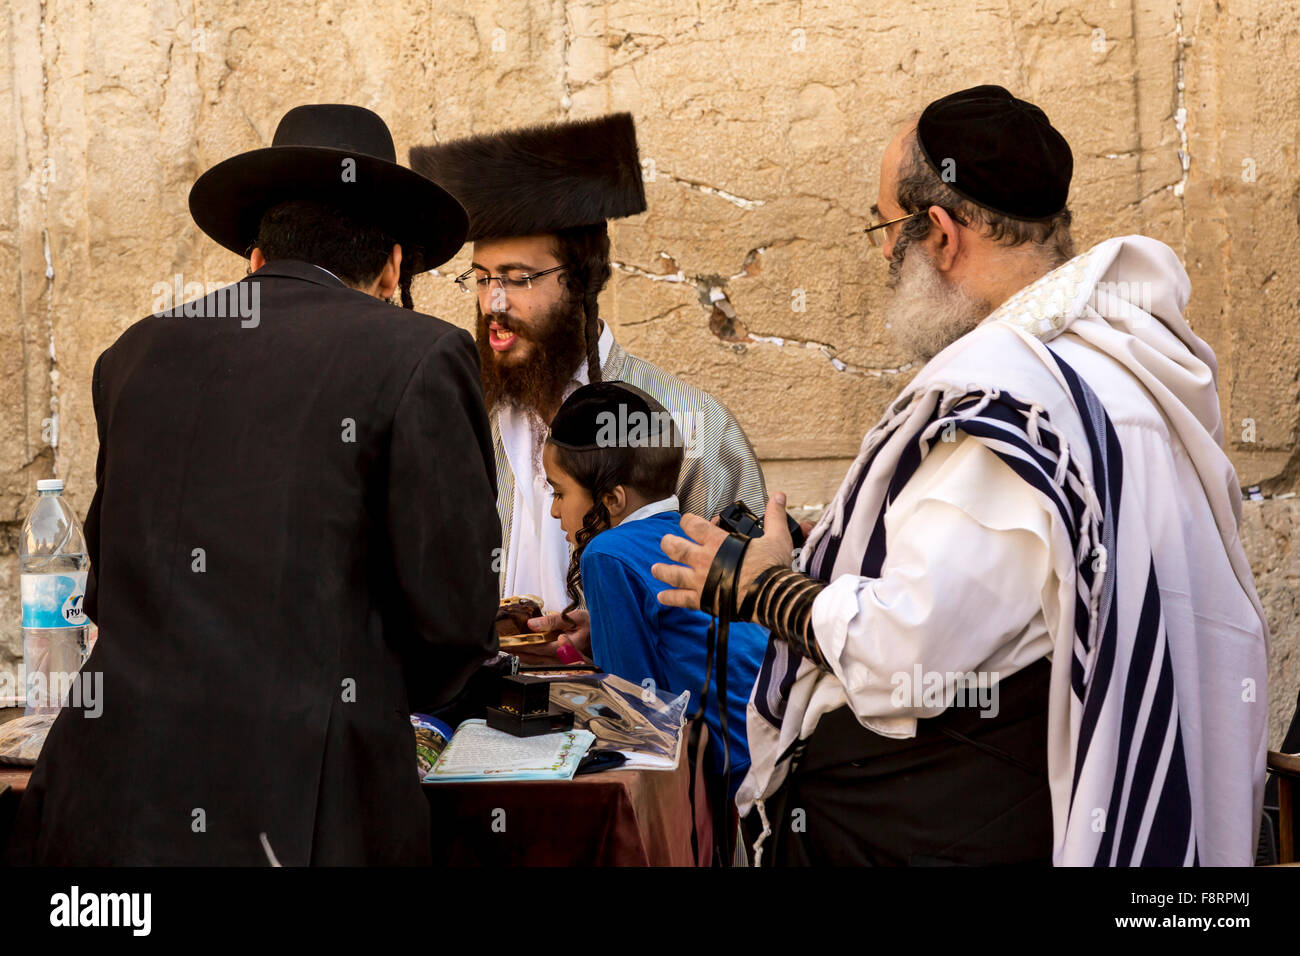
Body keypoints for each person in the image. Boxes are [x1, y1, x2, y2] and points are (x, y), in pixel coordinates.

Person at [652, 85, 1270, 866]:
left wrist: (761, 587)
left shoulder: (1009, 402)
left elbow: (908, 652)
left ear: (940, 233)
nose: (882, 254)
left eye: (883, 228)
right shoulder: (1127, 371)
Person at [7, 104, 501, 865]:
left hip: (103, 807)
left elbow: (109, 589)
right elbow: (453, 624)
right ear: (395, 266)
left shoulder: (133, 355)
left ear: (256, 259)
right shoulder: (423, 352)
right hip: (301, 817)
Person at [410, 113, 767, 660]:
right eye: (482, 279)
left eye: (518, 278)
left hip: (627, 728)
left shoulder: (691, 426)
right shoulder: (466, 418)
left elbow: (746, 624)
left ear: (582, 279)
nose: (494, 306)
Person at [541, 382, 767, 798]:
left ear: (612, 498)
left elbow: (632, 720)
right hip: (770, 747)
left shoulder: (608, 553)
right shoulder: (688, 536)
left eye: (559, 492)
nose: (555, 510)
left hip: (732, 773)